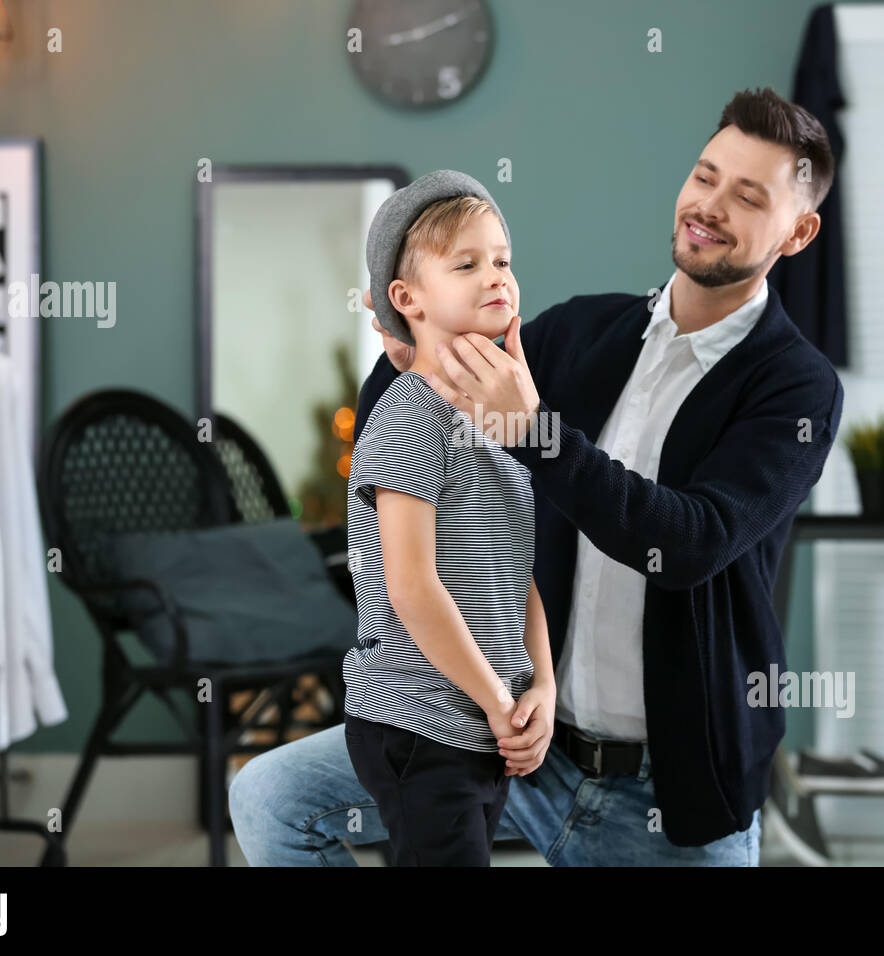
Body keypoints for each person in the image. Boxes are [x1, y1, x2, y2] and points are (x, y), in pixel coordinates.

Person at [230, 86, 844, 866]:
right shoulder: (586, 330)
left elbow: (688, 541)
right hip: (507, 743)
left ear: (798, 231)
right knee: (271, 797)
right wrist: (408, 344)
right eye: (705, 175)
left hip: (663, 798)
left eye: (748, 195)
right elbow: (422, 375)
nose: (709, 205)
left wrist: (532, 432)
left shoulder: (796, 388)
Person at [341, 171, 554, 866]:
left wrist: (540, 688)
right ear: (407, 300)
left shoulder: (503, 422)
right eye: (466, 264)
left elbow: (517, 573)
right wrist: (497, 701)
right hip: (418, 724)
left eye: (502, 259)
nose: (495, 275)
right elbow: (411, 586)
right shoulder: (409, 412)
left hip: (478, 724)